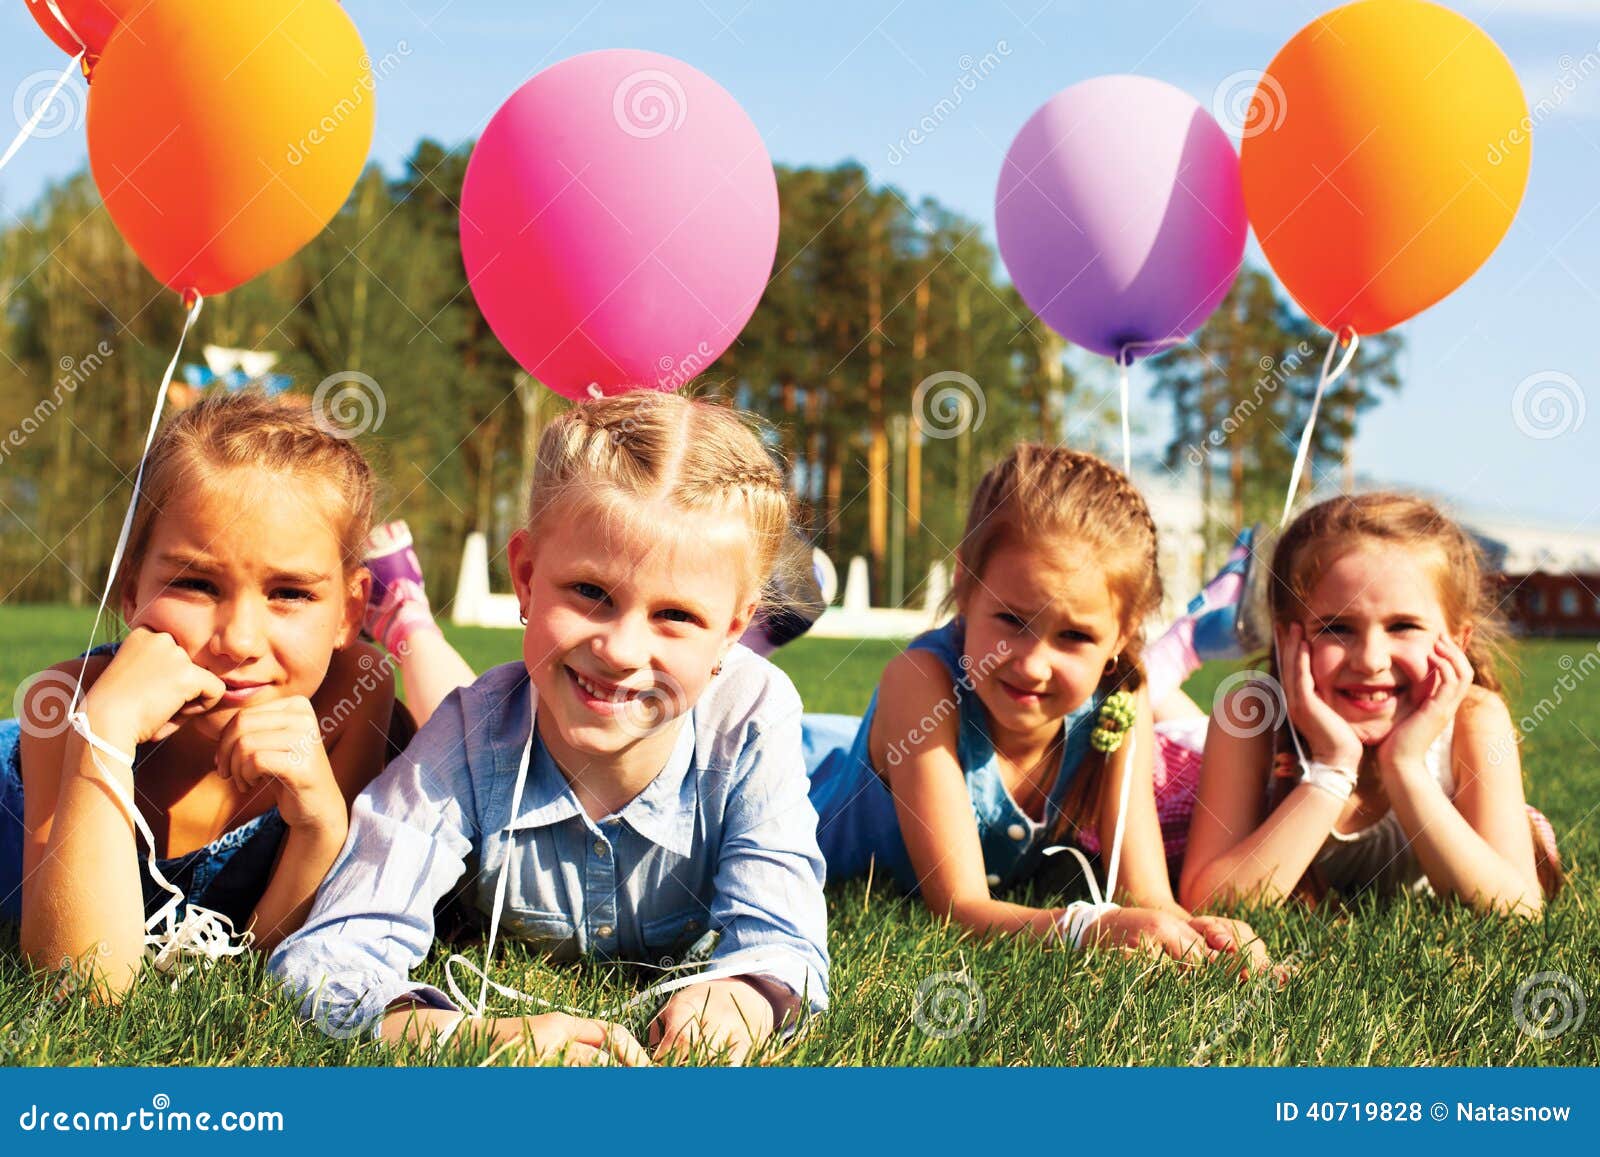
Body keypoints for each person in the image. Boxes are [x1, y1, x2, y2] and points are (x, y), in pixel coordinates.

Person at [270, 390, 830, 1066]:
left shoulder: (753, 715)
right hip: (489, 710)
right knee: (461, 700)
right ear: (527, 577)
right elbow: (327, 959)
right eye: (591, 593)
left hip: (817, 758)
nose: (621, 649)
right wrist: (469, 1037)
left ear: (733, 631)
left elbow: (786, 938)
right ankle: (408, 619)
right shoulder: (469, 738)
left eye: (675, 614)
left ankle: (412, 617)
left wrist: (741, 997)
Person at [803, 444, 1271, 967]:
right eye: (1011, 621)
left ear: (1124, 634)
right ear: (964, 587)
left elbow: (1146, 893)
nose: (1031, 664)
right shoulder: (920, 684)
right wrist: (1089, 928)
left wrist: (1209, 938)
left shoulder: (1121, 697)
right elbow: (960, 908)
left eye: (1073, 635)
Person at [2, 391, 407, 994]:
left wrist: (321, 826)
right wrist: (106, 732)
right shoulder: (68, 704)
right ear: (130, 588)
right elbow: (85, 984)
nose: (239, 640)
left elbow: (277, 955)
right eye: (195, 583)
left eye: (290, 593)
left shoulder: (355, 696)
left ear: (350, 611)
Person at [1180, 492, 1564, 914]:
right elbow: (1209, 900)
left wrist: (1405, 766)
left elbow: (1519, 908)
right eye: (1337, 627)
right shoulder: (1251, 715)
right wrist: (1331, 769)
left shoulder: (1475, 719)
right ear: (1287, 637)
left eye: (1403, 626)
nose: (1370, 661)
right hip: (1187, 755)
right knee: (1169, 723)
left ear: (1458, 641)